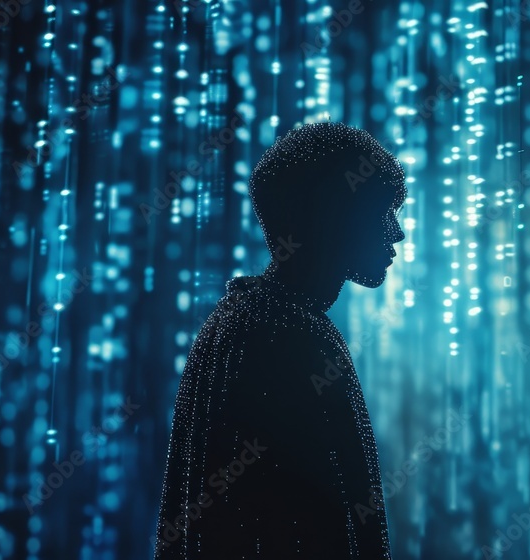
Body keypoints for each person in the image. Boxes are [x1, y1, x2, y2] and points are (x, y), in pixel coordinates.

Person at [154, 121, 406, 558]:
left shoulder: (239, 321)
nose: (396, 233)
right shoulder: (292, 335)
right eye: (383, 212)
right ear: (336, 217)